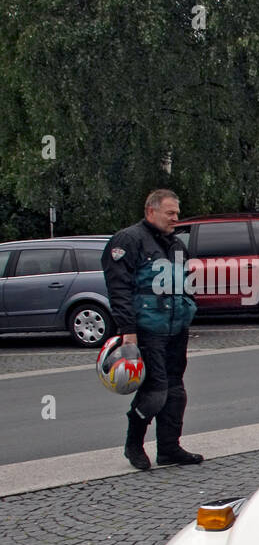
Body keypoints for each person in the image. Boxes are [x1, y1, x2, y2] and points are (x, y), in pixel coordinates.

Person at [101, 189, 201, 471]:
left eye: (177, 213)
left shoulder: (176, 245)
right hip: (147, 330)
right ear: (151, 212)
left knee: (176, 391)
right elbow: (118, 288)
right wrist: (128, 330)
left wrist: (188, 309)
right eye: (170, 213)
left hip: (176, 328)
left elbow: (185, 281)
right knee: (155, 391)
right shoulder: (128, 241)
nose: (175, 218)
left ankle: (169, 448)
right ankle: (134, 444)